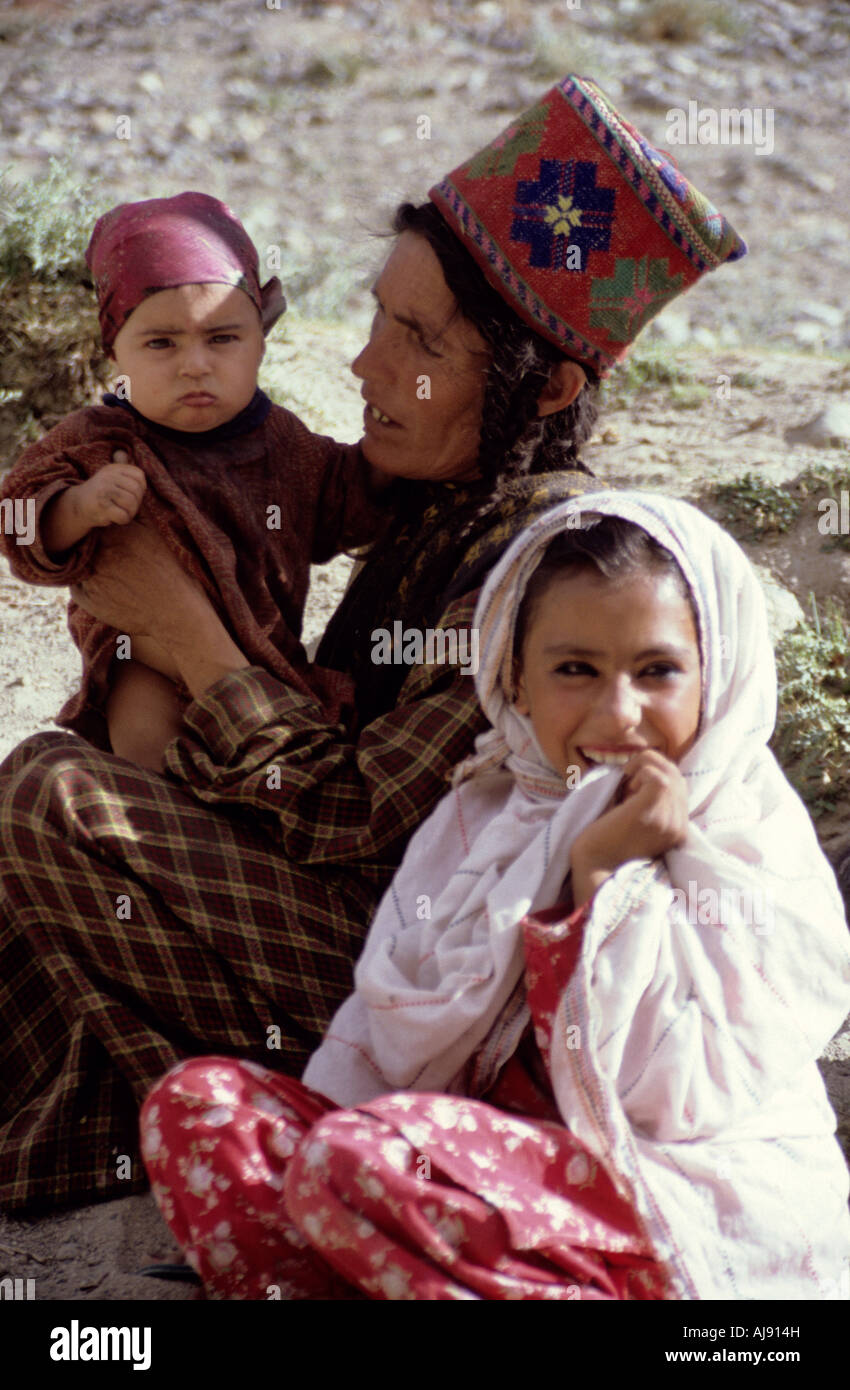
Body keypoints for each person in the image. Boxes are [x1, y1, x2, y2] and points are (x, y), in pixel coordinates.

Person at [0, 74, 745, 1214]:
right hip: (337, 921)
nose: (363, 368)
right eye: (373, 320)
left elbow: (349, 821)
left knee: (50, 797)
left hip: (415, 978)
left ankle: (282, 1126)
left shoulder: (546, 569)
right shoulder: (433, 502)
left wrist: (193, 639)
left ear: (541, 384)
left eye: (415, 338)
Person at [140, 493, 850, 1302]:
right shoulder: (484, 815)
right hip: (468, 1173)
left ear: (716, 672)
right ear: (514, 677)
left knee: (357, 1161)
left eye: (658, 671)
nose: (619, 713)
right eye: (574, 670)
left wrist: (602, 878)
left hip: (656, 1208)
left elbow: (664, 1096)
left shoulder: (746, 841)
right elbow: (390, 1037)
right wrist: (339, 1156)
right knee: (203, 1106)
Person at [0, 192, 388, 769]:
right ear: (115, 353)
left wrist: (396, 463)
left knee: (249, 767)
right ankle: (159, 821)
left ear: (261, 338)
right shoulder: (98, 440)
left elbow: (347, 496)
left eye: (222, 338)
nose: (195, 365)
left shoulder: (283, 442)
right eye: (160, 343)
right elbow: (16, 517)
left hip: (255, 665)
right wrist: (77, 508)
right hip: (143, 659)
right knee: (146, 746)